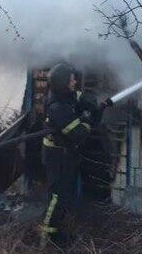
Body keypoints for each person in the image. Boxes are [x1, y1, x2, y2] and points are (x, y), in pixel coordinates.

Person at [39, 62, 110, 243]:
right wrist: (86, 118)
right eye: (71, 78)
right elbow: (78, 134)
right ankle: (48, 234)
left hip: (65, 154)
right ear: (63, 82)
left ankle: (57, 227)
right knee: (58, 194)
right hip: (57, 156)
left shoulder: (65, 95)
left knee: (65, 193)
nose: (75, 81)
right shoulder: (57, 107)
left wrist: (96, 106)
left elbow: (81, 98)